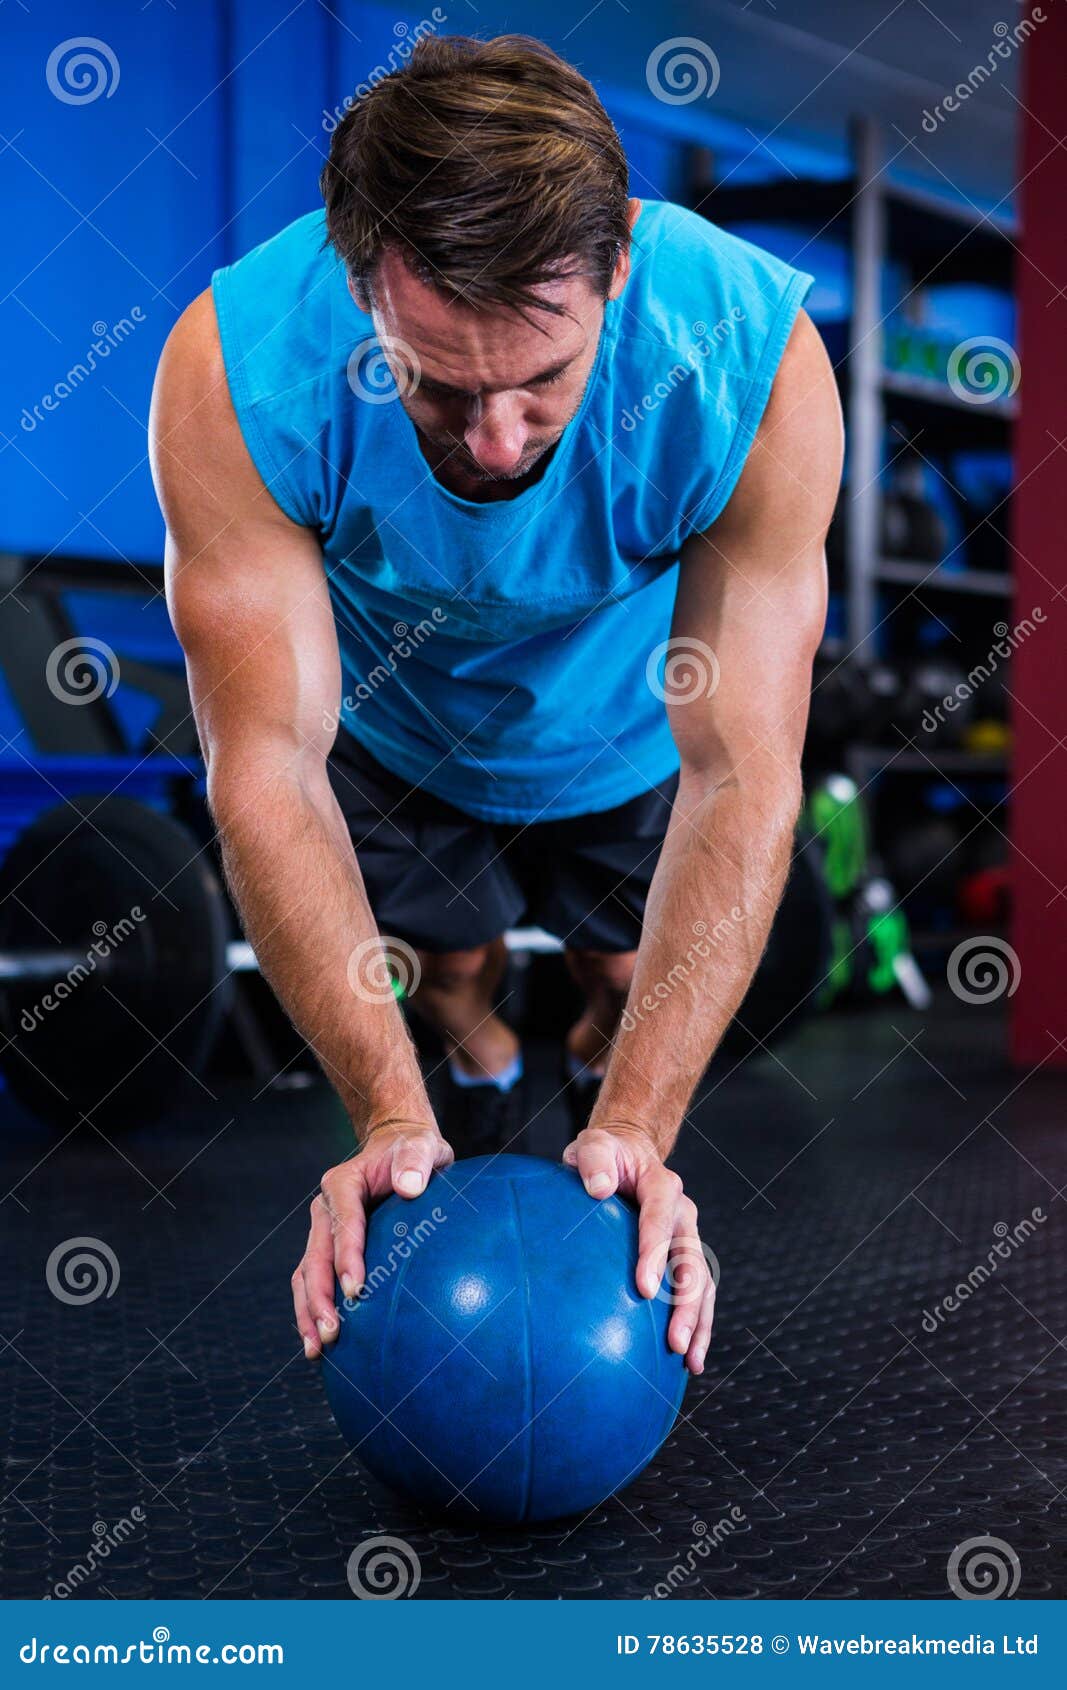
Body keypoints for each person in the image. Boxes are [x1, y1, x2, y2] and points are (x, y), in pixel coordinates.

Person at [150, 34, 842, 1383]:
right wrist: (384, 1118)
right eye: (443, 386)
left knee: (630, 987)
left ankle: (582, 1076)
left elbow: (744, 772)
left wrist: (640, 1126)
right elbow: (269, 771)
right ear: (364, 292)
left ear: (619, 272)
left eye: (543, 384)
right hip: (401, 732)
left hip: (635, 731)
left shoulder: (746, 361)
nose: (497, 443)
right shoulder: (239, 372)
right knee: (443, 975)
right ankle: (473, 1057)